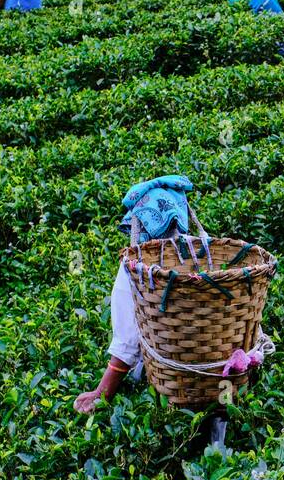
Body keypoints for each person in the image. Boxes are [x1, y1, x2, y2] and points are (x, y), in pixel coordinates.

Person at [74, 175, 194, 414]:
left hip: (167, 379)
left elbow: (127, 341)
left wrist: (102, 393)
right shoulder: (201, 253)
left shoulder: (135, 268)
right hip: (214, 369)